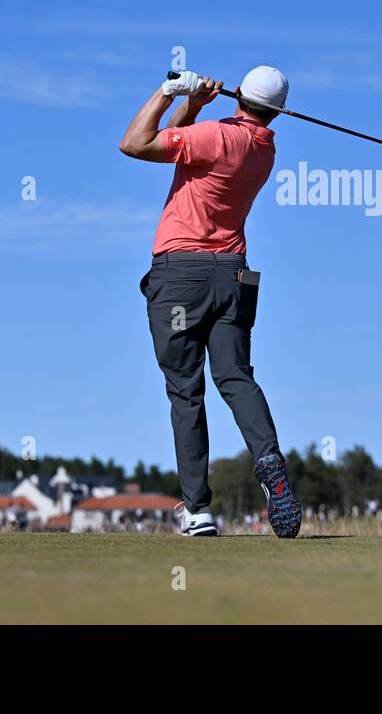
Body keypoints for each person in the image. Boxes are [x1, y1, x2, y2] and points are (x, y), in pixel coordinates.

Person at [119, 66, 302, 539]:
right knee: (236, 378)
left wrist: (167, 91)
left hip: (181, 275)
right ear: (277, 111)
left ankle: (197, 508)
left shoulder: (215, 139)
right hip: (233, 277)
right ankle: (268, 459)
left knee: (186, 389)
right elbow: (183, 144)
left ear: (240, 94)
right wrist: (197, 104)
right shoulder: (264, 148)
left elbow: (135, 143)